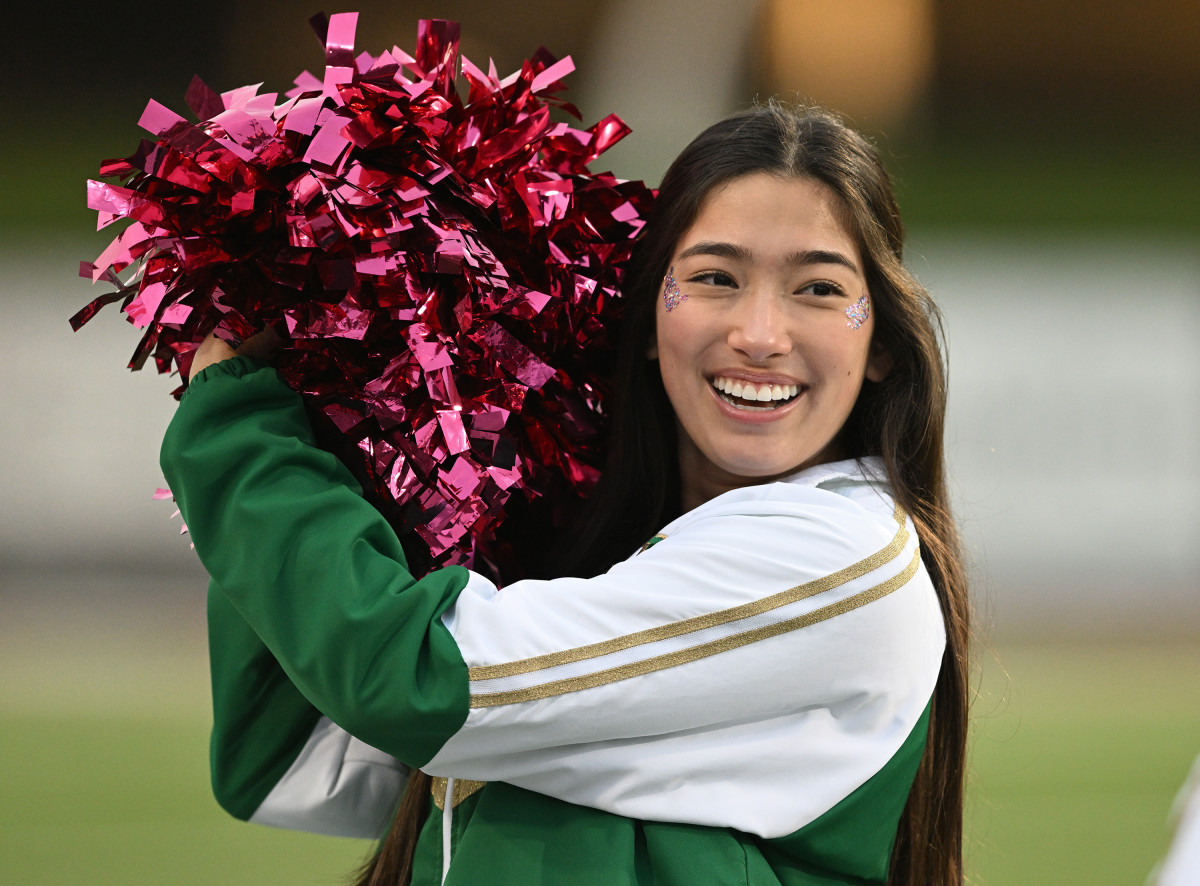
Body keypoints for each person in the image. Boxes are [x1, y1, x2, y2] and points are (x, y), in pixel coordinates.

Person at [161, 104, 969, 885]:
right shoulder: (612, 556)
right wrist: (339, 397)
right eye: (715, 277)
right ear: (649, 320)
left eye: (819, 289)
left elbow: (423, 683)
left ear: (883, 348)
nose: (760, 335)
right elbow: (292, 759)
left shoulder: (836, 557)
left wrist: (240, 427)